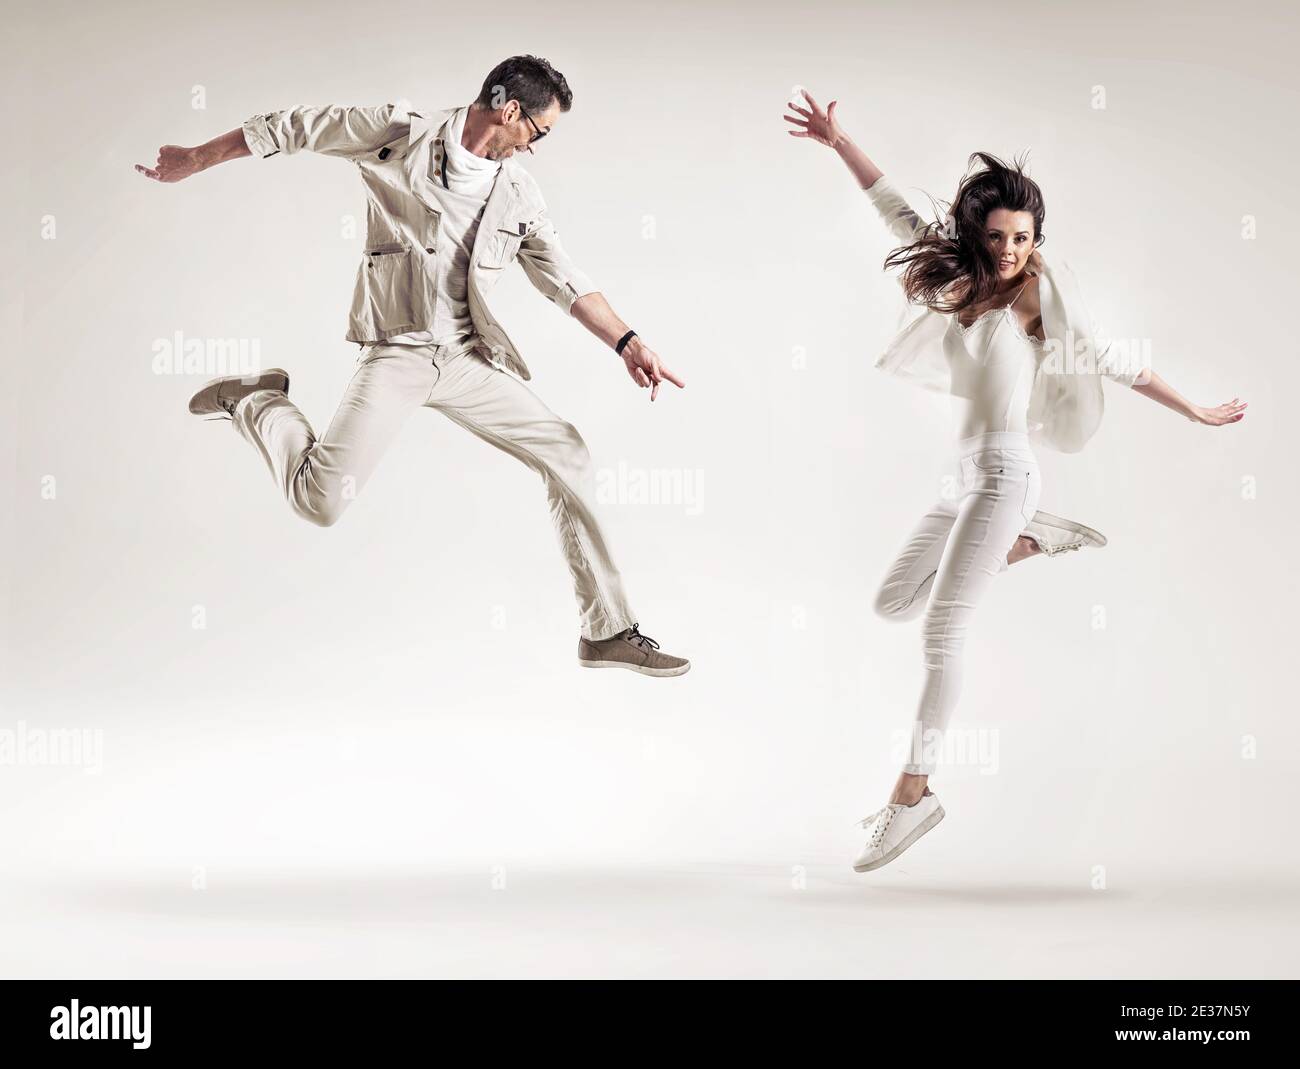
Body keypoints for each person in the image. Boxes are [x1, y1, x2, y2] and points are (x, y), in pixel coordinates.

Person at [784, 89, 1246, 870]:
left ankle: (912, 794)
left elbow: (1115, 360)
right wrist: (839, 143)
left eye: (1022, 236)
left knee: (940, 633)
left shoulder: (1039, 300)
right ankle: (1035, 541)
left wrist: (1195, 409)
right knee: (892, 600)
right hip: (964, 477)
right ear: (978, 232)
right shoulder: (960, 274)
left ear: (1037, 239)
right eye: (997, 234)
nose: (1008, 248)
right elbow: (893, 206)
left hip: (1005, 472)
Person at [136, 55, 690, 677]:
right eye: (538, 133)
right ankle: (256, 401)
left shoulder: (517, 192)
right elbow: (293, 126)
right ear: (510, 111)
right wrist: (197, 158)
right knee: (318, 501)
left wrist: (627, 341)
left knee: (568, 451)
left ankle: (607, 629)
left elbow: (564, 278)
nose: (535, 149)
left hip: (463, 360)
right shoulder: (397, 133)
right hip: (398, 350)